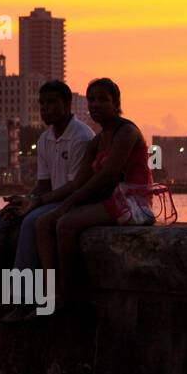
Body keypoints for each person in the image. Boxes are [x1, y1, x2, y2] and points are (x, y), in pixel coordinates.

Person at [0, 80, 95, 319]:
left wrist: (36, 203)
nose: (44, 108)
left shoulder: (81, 136)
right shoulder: (46, 139)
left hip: (71, 201)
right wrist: (26, 199)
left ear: (67, 104)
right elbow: (44, 183)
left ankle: (24, 300)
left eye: (51, 102)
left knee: (30, 223)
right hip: (50, 198)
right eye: (42, 103)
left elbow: (75, 185)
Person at [34, 77, 154, 314]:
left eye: (102, 99)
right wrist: (40, 201)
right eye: (91, 100)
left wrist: (71, 202)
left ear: (116, 102)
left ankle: (70, 295)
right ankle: (51, 290)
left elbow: (108, 175)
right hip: (108, 200)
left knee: (66, 224)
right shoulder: (97, 140)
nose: (95, 105)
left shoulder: (127, 131)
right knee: (43, 222)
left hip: (131, 203)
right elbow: (80, 180)